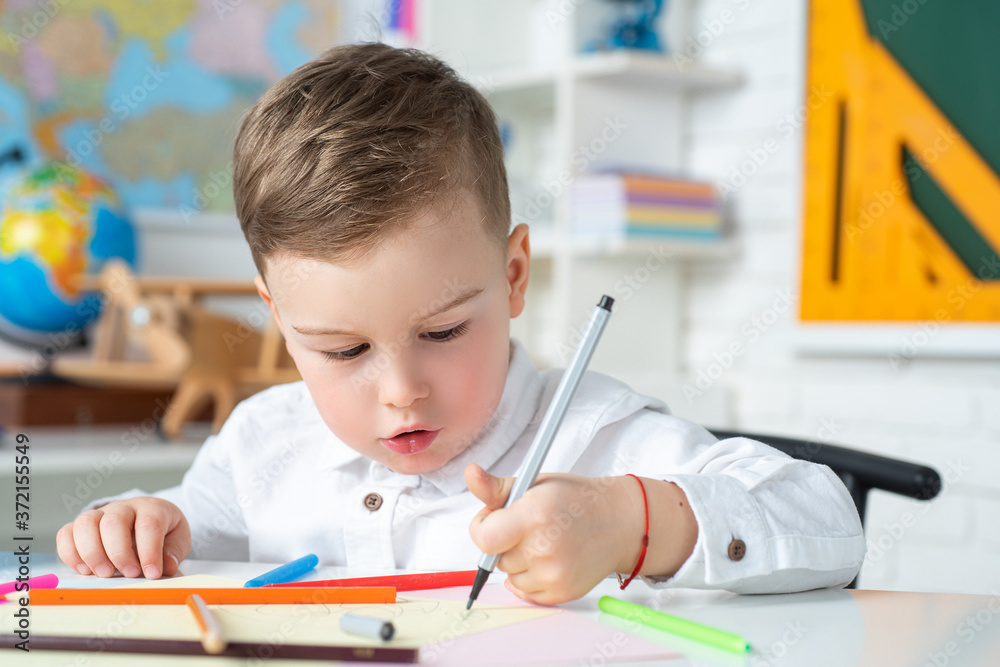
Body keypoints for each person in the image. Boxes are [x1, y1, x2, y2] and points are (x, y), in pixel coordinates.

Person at [57, 42, 865, 605]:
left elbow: (827, 519)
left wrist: (632, 523)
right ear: (278, 317)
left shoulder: (595, 438)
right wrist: (138, 525)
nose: (403, 391)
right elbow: (190, 529)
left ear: (513, 275)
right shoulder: (259, 442)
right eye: (343, 349)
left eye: (443, 332)